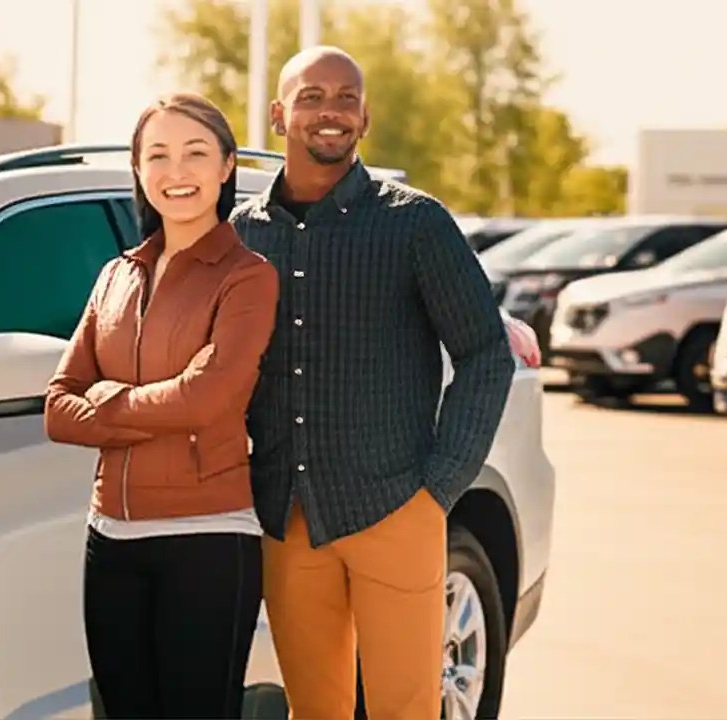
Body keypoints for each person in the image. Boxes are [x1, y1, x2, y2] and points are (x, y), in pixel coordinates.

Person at [229, 46, 515, 719]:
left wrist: (438, 487)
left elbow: (485, 351)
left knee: (405, 711)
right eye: (311, 96)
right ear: (278, 114)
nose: (330, 111)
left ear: (365, 117)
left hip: (396, 510)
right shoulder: (243, 234)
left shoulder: (415, 223)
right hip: (287, 518)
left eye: (346, 98)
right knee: (313, 712)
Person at [44, 92, 280, 719]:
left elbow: (208, 398)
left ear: (226, 166)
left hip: (207, 539)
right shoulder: (116, 276)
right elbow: (56, 408)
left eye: (196, 153)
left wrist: (108, 403)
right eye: (159, 155)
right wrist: (149, 407)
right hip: (111, 539)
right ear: (139, 169)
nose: (177, 172)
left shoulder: (247, 276)